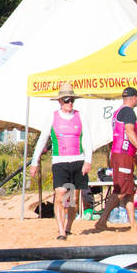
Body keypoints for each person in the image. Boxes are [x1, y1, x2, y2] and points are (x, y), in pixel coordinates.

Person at [27, 83, 92, 240]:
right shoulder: (53, 116)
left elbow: (87, 139)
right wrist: (34, 161)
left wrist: (88, 160)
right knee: (61, 194)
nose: (69, 103)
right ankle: (61, 231)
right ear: (60, 102)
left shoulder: (80, 115)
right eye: (66, 100)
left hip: (78, 160)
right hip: (60, 161)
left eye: (71, 100)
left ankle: (68, 226)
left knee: (72, 199)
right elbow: (42, 140)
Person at [96, 86, 137, 231]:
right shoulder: (128, 111)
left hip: (121, 154)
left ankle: (133, 223)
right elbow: (129, 132)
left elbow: (121, 136)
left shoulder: (117, 112)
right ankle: (102, 220)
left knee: (128, 191)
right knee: (121, 190)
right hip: (122, 154)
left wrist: (134, 157)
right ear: (134, 98)